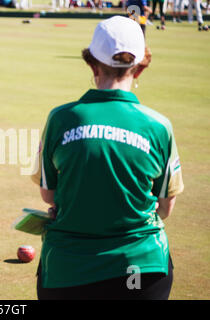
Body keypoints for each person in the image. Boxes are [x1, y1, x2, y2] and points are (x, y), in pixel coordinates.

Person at [32, 16, 184, 300]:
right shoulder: (159, 125)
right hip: (140, 268)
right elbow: (165, 209)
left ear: (91, 63)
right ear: (138, 69)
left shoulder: (60, 118)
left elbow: (49, 195)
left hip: (69, 268)